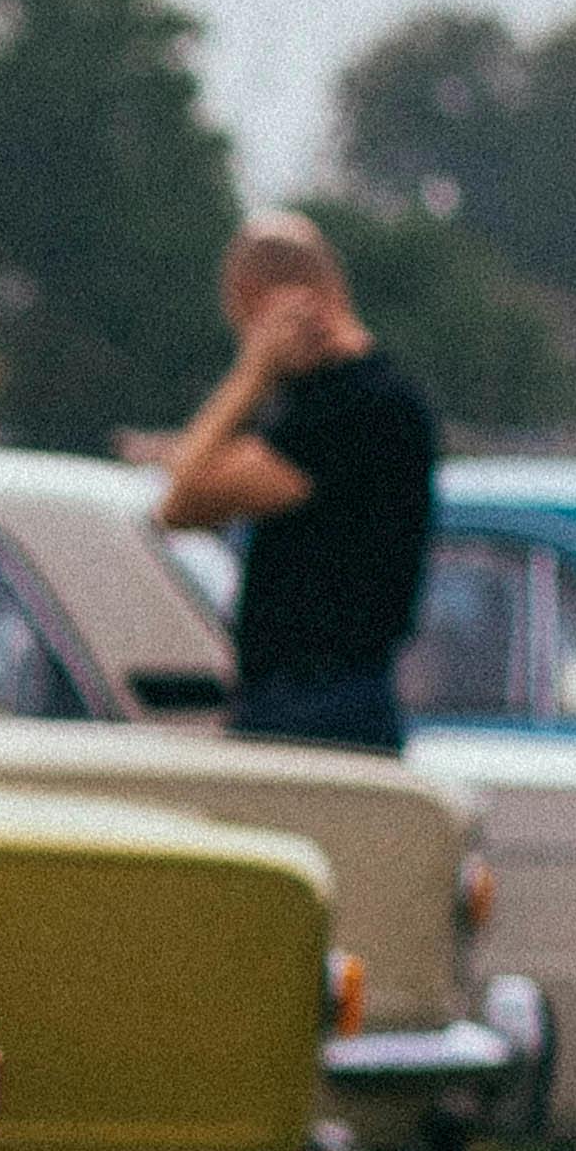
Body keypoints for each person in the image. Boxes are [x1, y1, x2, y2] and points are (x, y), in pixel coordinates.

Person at [155, 210, 435, 751]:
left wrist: (252, 371)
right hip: (323, 695)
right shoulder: (354, 401)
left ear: (260, 300)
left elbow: (181, 501)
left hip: (315, 701)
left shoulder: (352, 408)